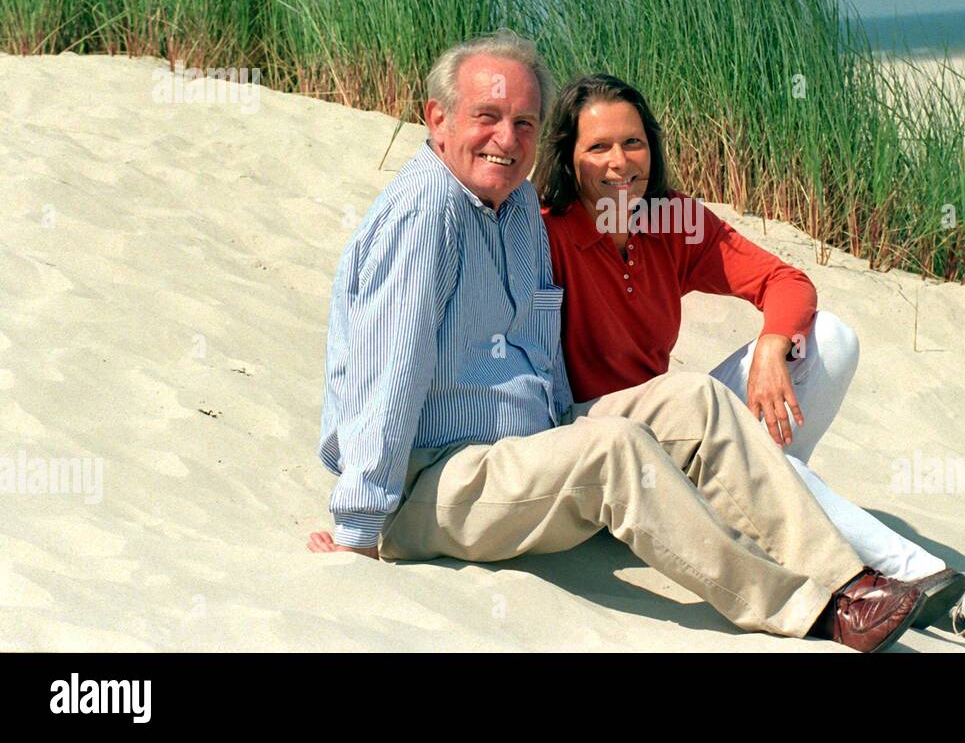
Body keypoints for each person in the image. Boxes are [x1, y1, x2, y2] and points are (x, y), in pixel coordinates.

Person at [307, 32, 929, 652]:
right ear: (438, 119)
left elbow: (539, 347)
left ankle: (849, 580)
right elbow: (388, 373)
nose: (507, 139)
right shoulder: (425, 215)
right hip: (436, 483)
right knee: (616, 447)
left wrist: (566, 430)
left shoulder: (516, 206)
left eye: (524, 122)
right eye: (487, 117)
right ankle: (808, 609)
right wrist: (361, 524)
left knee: (697, 399)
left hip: (531, 445)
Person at [535, 73, 965, 653]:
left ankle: (762, 499)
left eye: (633, 143)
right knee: (735, 435)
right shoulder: (546, 232)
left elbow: (785, 281)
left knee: (831, 338)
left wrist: (774, 346)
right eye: (597, 147)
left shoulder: (669, 219)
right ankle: (940, 586)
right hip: (603, 444)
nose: (620, 162)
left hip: (676, 420)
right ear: (568, 161)